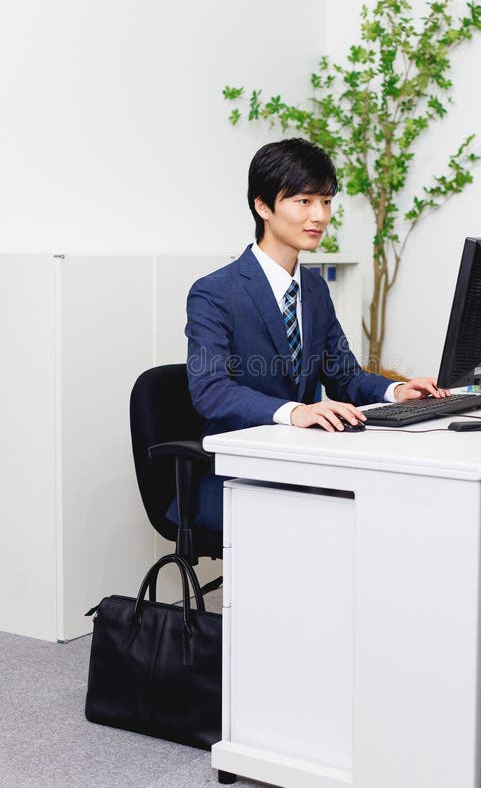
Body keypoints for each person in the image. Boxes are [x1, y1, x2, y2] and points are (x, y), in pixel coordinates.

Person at [168, 137, 447, 529]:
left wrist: (396, 391)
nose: (320, 215)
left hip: (301, 462)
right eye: (304, 201)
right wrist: (296, 412)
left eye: (327, 201)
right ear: (262, 206)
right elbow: (211, 391)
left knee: (394, 507)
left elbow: (343, 375)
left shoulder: (314, 290)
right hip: (234, 474)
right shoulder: (215, 292)